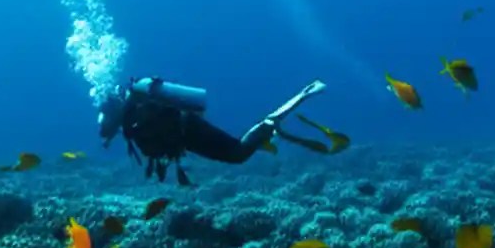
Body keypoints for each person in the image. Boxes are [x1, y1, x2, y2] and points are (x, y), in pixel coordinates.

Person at [98, 76, 327, 185]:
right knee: (237, 155)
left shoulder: (137, 105)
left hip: (189, 129)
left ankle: (275, 119)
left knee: (237, 153)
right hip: (185, 137)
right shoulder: (129, 119)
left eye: (106, 116)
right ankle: (268, 127)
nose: (105, 124)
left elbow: (160, 124)